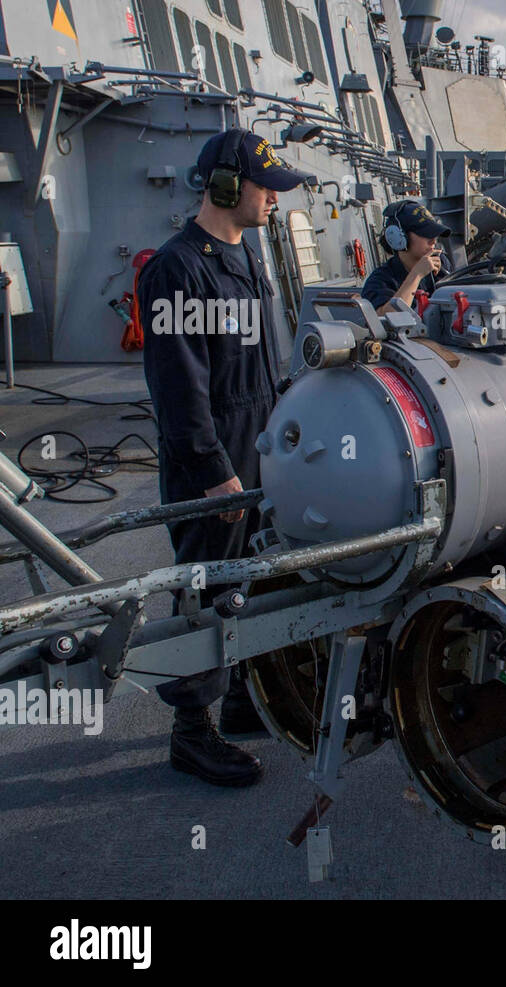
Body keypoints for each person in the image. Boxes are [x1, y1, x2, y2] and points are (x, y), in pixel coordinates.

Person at [137, 127, 311, 787]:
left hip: (257, 443)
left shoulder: (245, 257)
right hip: (210, 461)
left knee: (253, 579)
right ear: (226, 186)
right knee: (204, 590)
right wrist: (217, 474)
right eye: (266, 186)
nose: (275, 198)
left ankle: (239, 696)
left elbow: (259, 366)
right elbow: (180, 395)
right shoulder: (178, 268)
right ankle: (190, 731)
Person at [360, 199, 452, 315]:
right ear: (399, 238)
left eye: (434, 234)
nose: (434, 241)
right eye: (426, 233)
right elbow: (387, 319)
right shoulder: (380, 280)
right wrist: (416, 275)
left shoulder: (441, 263)